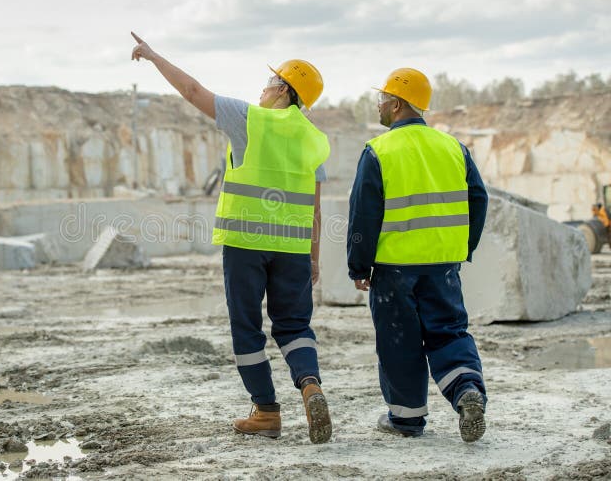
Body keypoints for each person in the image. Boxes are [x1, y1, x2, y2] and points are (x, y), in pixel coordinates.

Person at [131, 31, 332, 444]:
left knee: (246, 326)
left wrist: (153, 57)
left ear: (282, 90)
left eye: (270, 81)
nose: (263, 87)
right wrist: (314, 258)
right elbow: (315, 209)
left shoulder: (249, 119)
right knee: (294, 326)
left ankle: (266, 411)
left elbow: (191, 90)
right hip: (293, 248)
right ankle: (309, 383)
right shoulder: (314, 139)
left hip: (246, 245)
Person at [346, 67, 489, 442]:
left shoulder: (378, 150)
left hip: (394, 269)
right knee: (448, 332)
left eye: (381, 98)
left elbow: (363, 213)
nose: (378, 104)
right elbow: (479, 198)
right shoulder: (452, 147)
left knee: (399, 342)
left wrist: (358, 265)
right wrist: (462, 247)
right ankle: (466, 390)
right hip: (443, 265)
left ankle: (406, 419)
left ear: (395, 104)